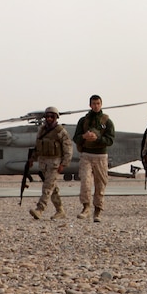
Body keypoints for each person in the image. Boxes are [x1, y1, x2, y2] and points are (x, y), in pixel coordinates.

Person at [73, 94, 114, 222]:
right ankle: (86, 207)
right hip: (86, 155)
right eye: (94, 104)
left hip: (101, 156)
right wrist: (84, 137)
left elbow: (110, 139)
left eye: (98, 103)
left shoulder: (107, 121)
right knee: (85, 182)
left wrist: (98, 139)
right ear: (90, 105)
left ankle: (98, 210)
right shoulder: (83, 121)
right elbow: (76, 137)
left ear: (101, 104)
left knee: (100, 184)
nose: (96, 106)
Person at [29, 106, 73, 220]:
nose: (49, 118)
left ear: (56, 117)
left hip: (55, 163)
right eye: (47, 116)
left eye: (51, 116)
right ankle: (60, 211)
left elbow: (68, 149)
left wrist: (64, 164)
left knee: (47, 187)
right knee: (53, 188)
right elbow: (37, 146)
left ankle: (40, 209)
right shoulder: (41, 130)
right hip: (43, 162)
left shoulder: (60, 131)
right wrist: (31, 159)